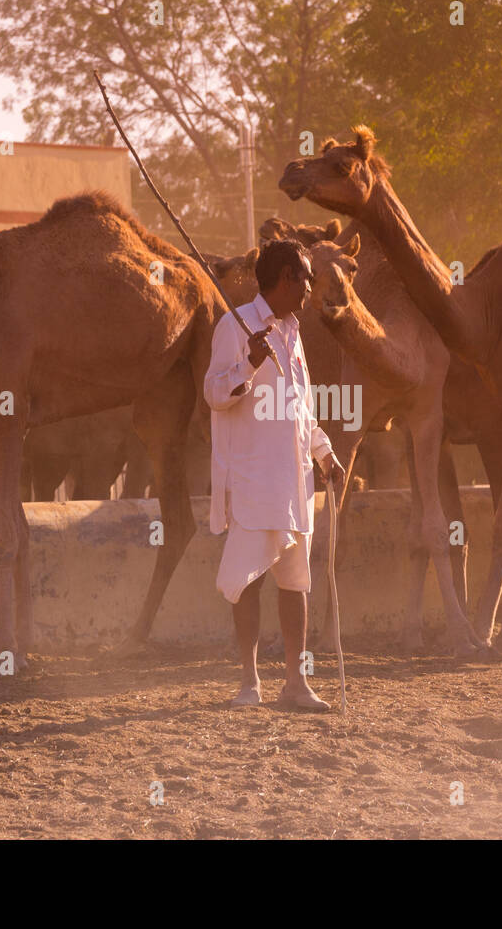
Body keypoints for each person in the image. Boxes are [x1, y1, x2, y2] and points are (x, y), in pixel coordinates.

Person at [204, 238, 346, 710]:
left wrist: (323, 451)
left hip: (294, 480)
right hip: (253, 479)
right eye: (306, 277)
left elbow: (302, 407)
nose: (309, 287)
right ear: (287, 278)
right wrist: (250, 361)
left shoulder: (291, 331)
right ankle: (249, 682)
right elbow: (214, 393)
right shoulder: (234, 325)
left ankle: (295, 684)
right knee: (247, 579)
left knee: (296, 581)